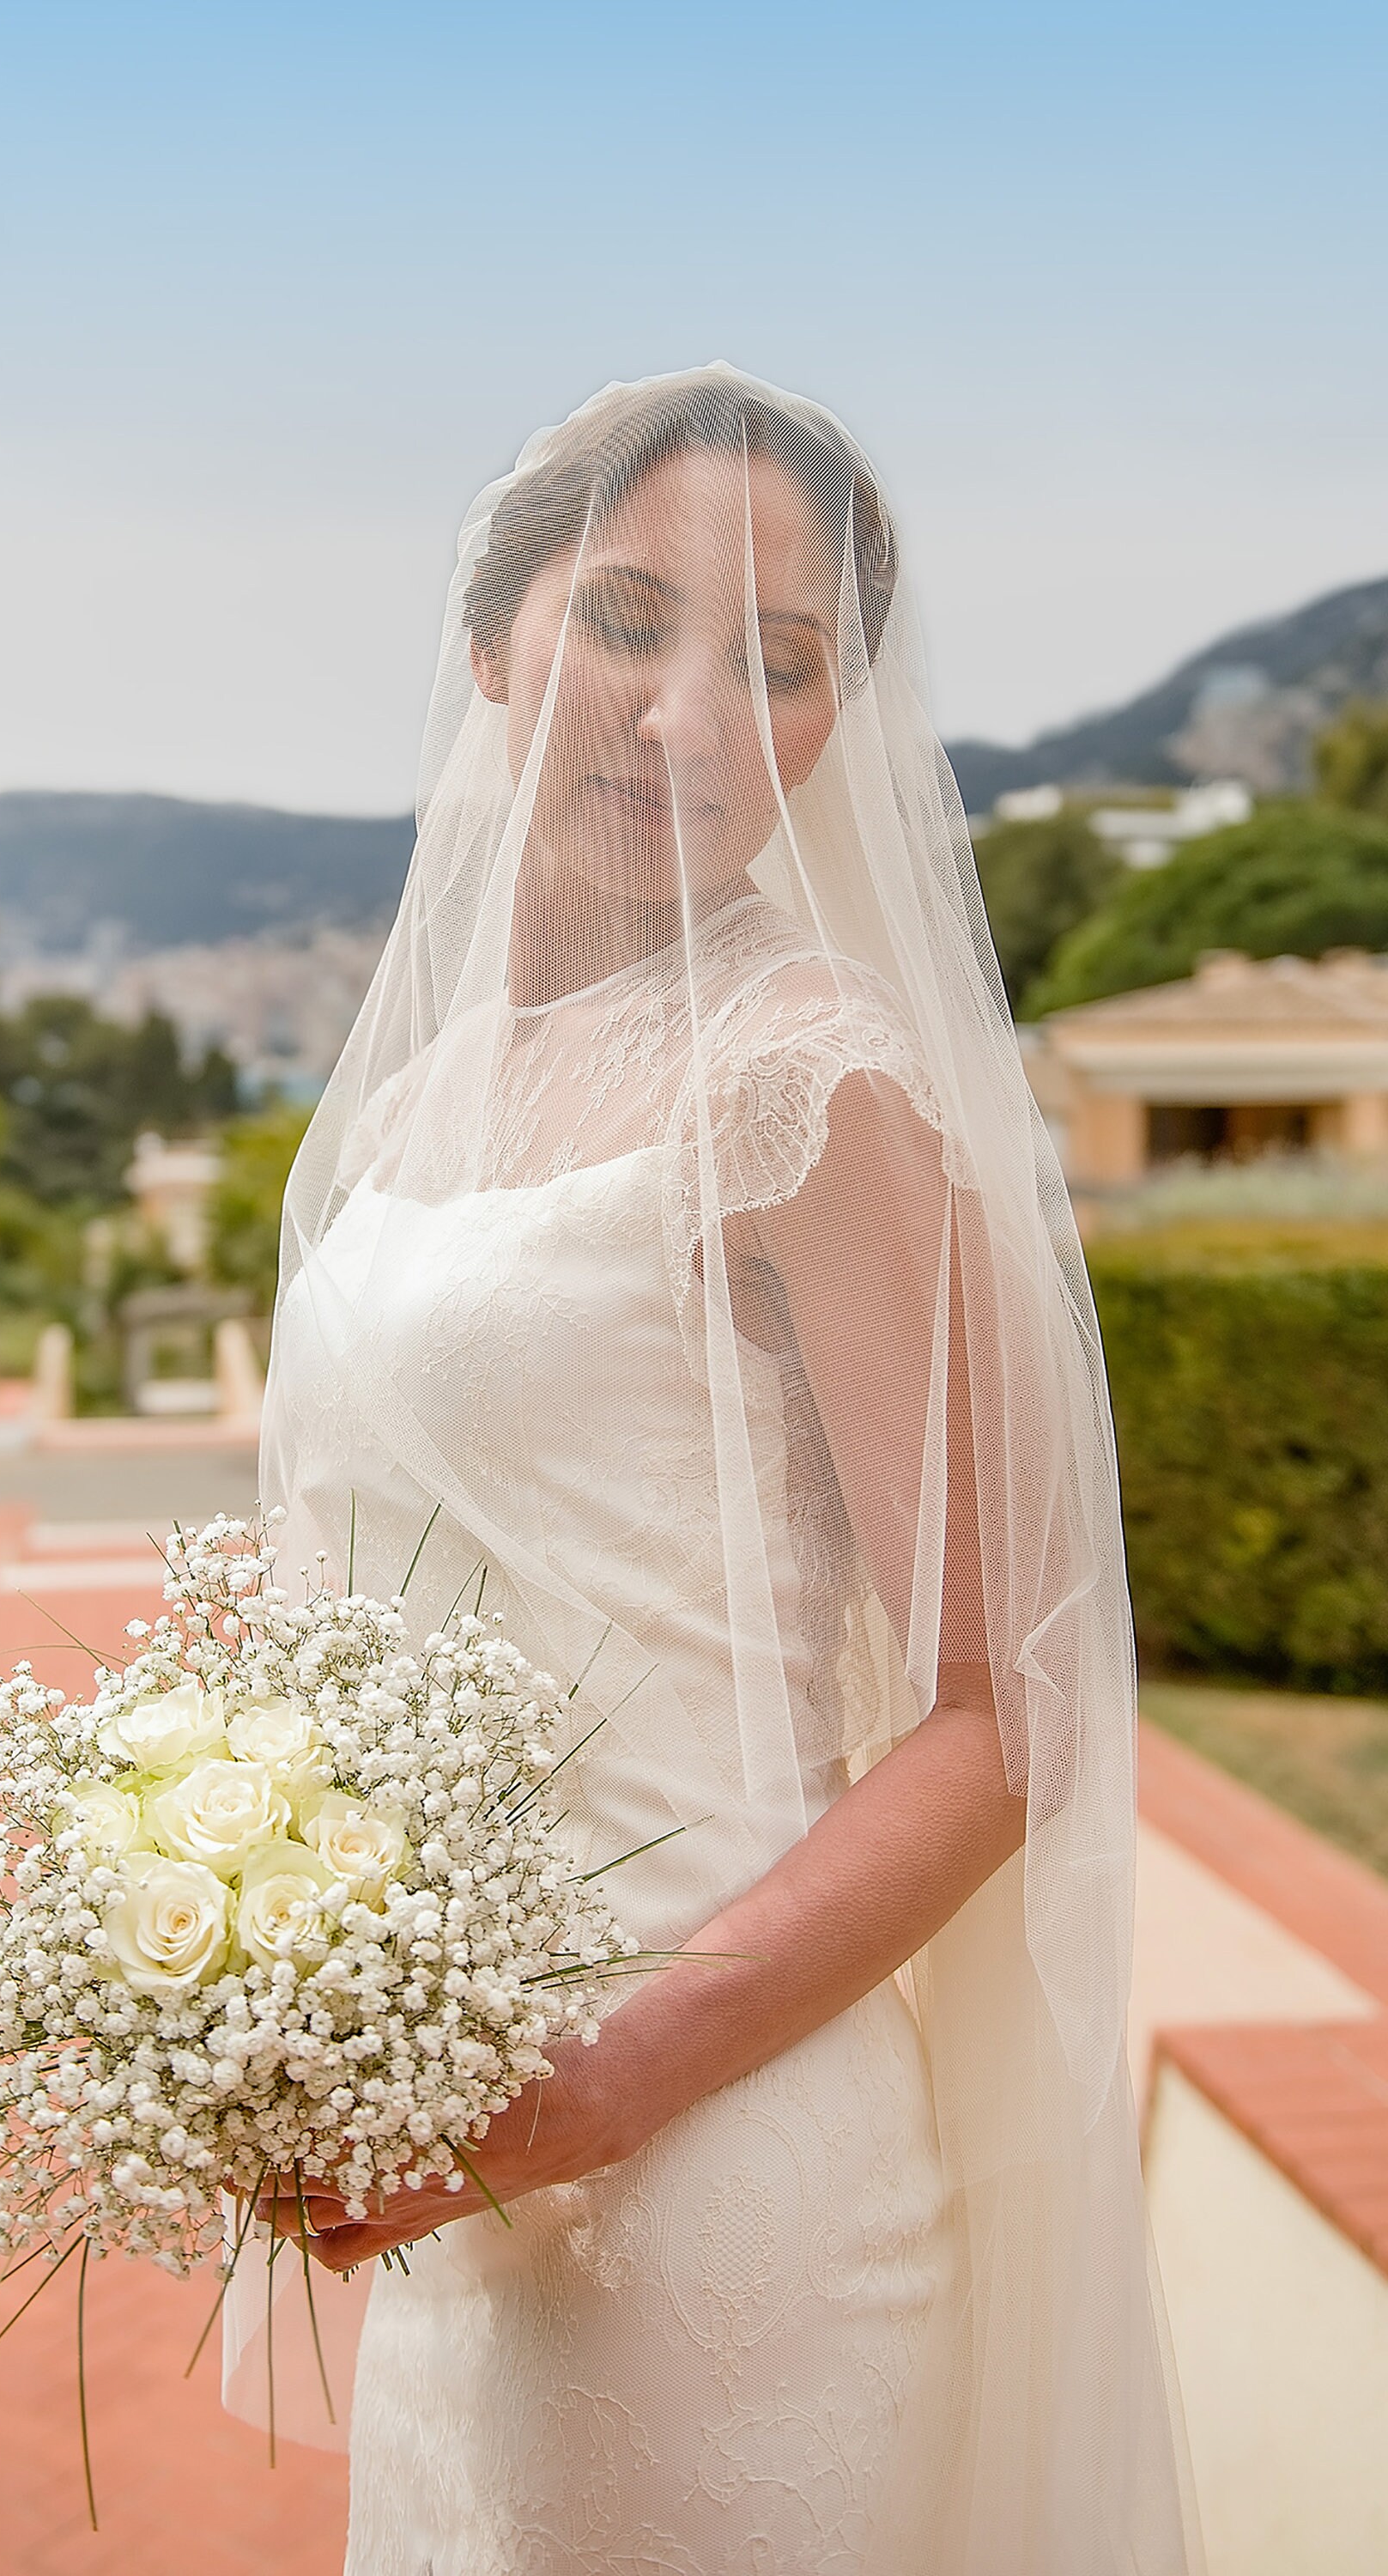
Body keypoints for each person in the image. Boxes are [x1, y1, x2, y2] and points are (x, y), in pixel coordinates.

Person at [235, 367, 1197, 2573]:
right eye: (629, 619)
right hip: (447, 2149)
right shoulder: (405, 1109)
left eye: (777, 665)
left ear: (834, 728)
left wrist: (611, 2075)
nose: (686, 715)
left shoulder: (814, 1085)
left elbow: (1007, 1702)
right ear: (496, 646)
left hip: (719, 2173)